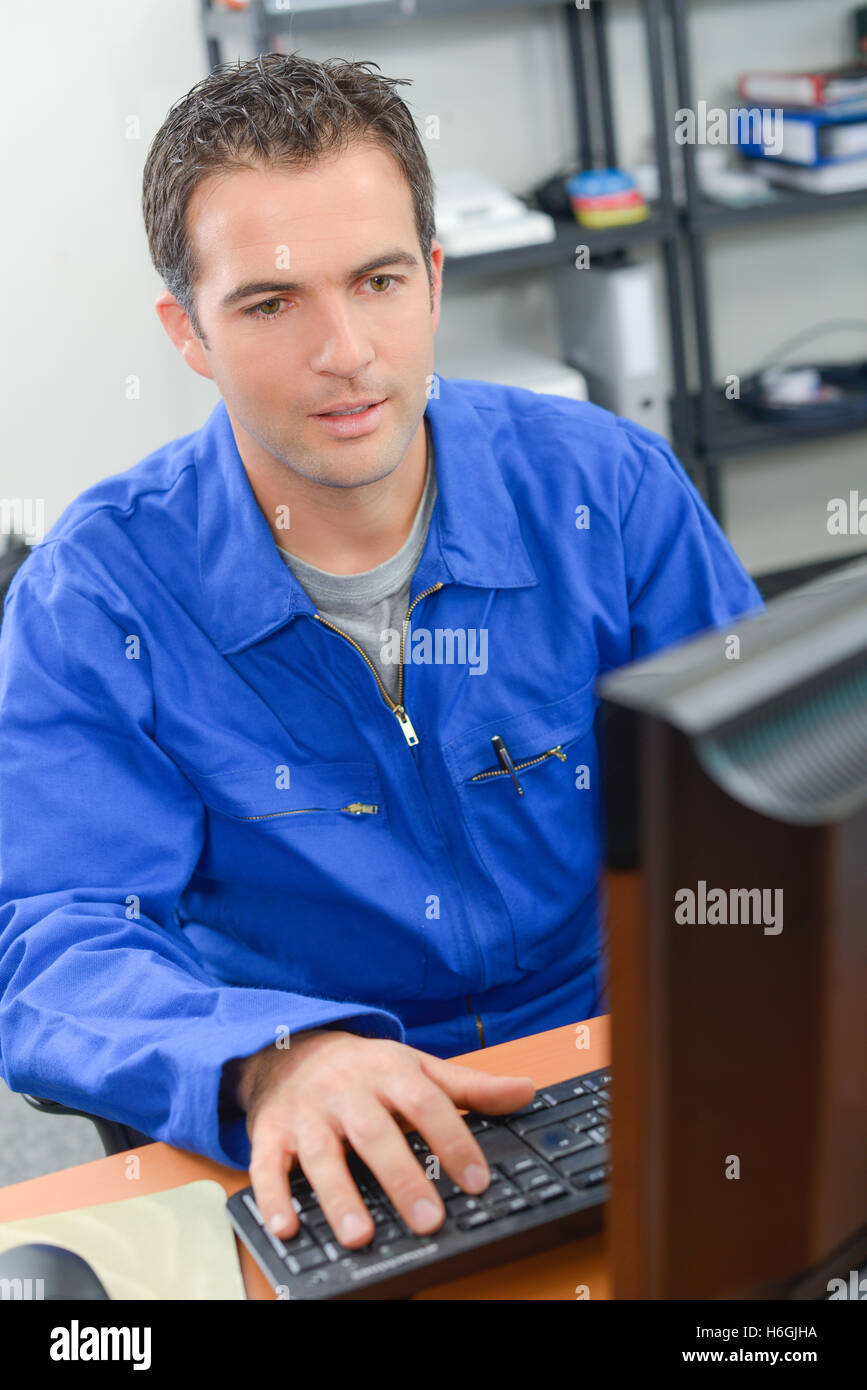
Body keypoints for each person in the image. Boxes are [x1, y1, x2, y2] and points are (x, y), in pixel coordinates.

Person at [0, 54, 763, 1252]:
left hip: (620, 1069)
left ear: (434, 279)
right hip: (311, 1138)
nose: (346, 349)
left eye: (379, 279)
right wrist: (269, 1061)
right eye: (270, 302)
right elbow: (56, 934)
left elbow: (764, 799)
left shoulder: (607, 493)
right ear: (187, 332)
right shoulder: (94, 596)